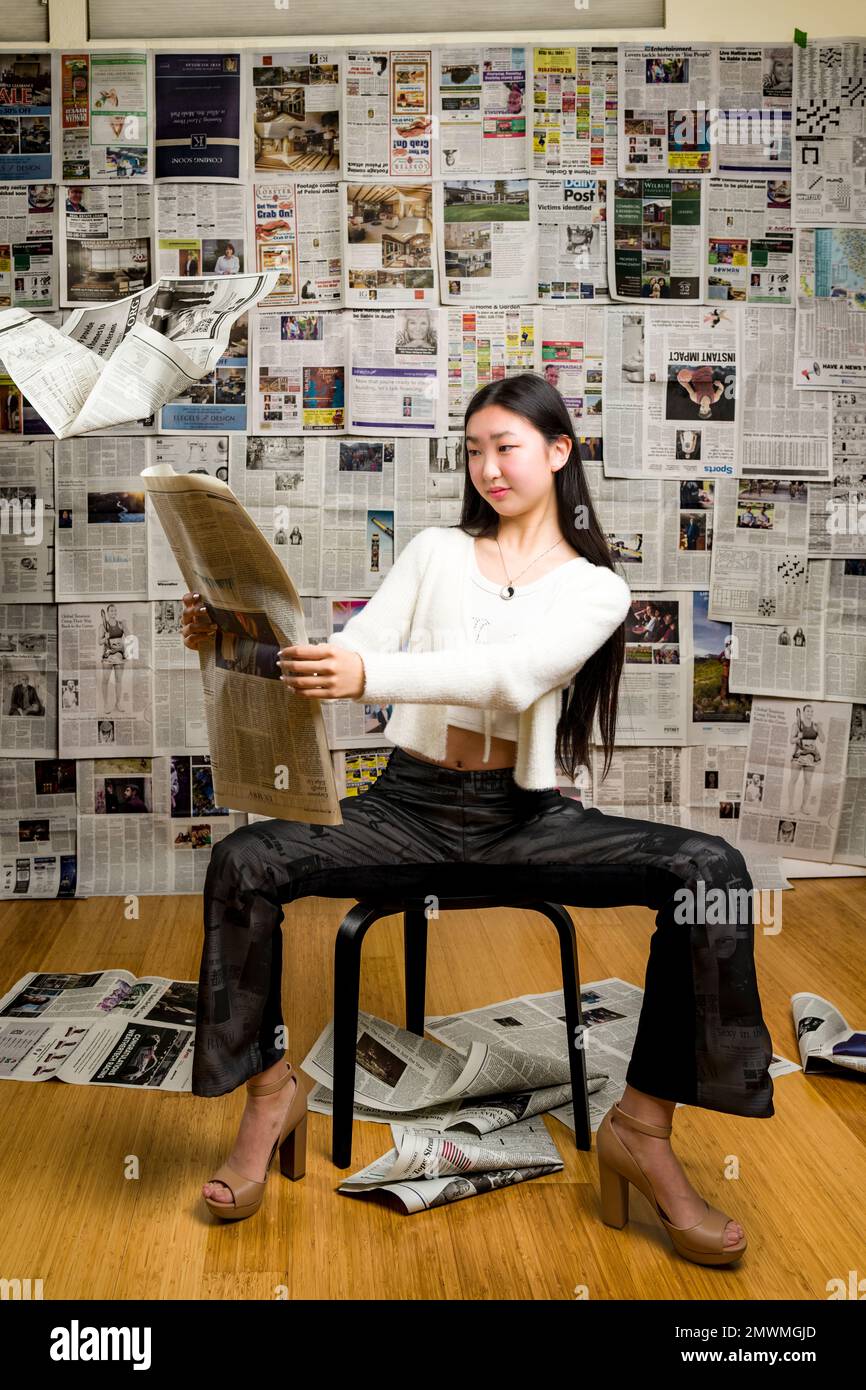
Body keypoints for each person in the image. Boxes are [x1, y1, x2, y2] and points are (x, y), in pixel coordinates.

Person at [182, 372, 772, 1264]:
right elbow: (353, 651)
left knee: (711, 872)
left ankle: (643, 1129)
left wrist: (369, 677)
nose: (488, 467)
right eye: (473, 451)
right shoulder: (434, 552)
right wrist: (240, 644)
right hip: (406, 811)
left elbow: (510, 678)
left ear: (559, 452)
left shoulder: (595, 590)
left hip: (522, 821)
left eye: (507, 447)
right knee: (243, 862)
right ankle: (270, 1096)